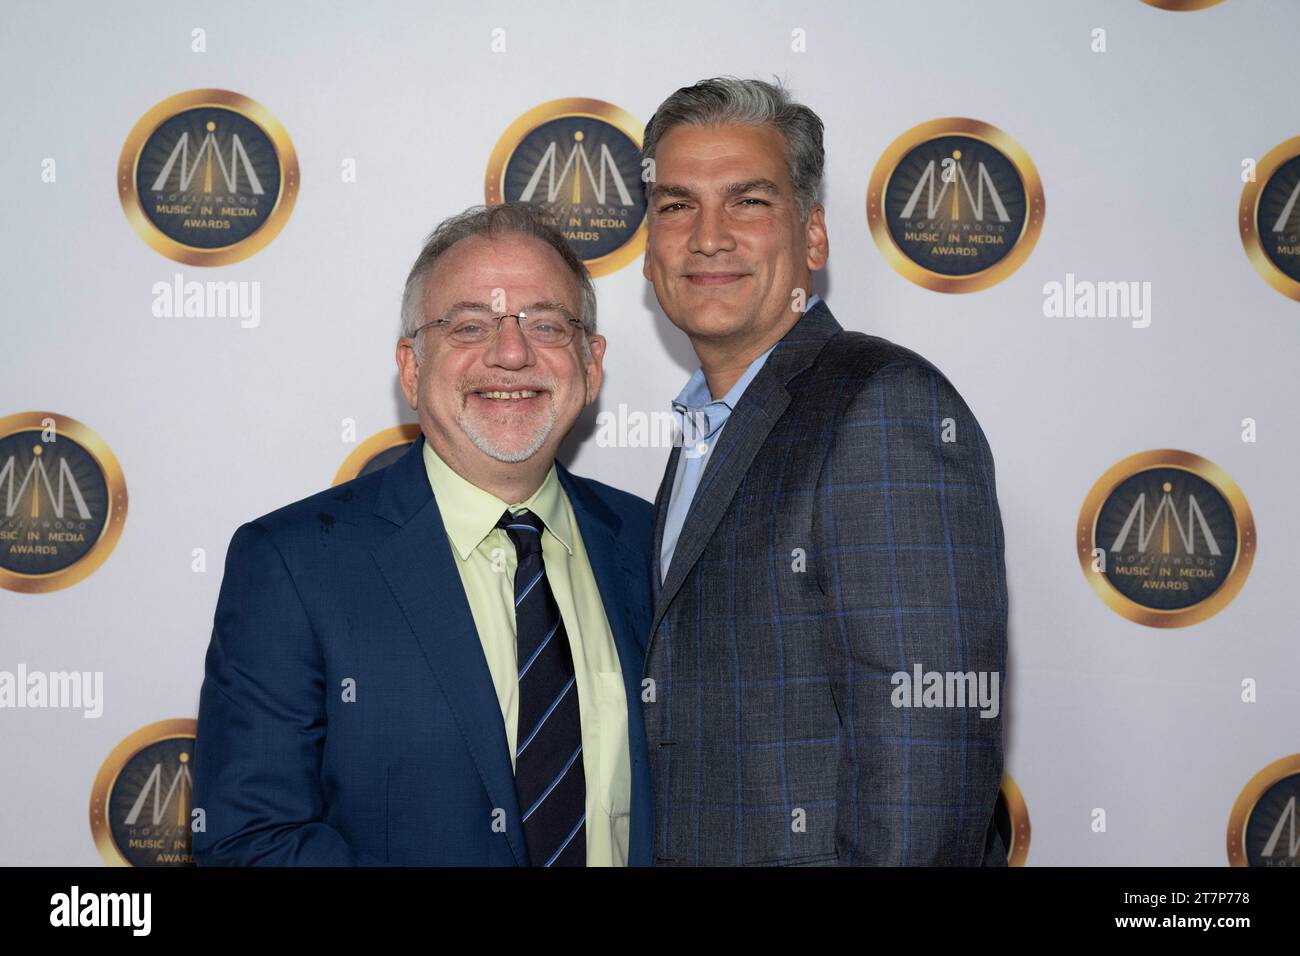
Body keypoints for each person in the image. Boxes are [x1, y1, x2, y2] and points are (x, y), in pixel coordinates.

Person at [193, 202, 654, 866]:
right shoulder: (294, 566)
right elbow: (249, 841)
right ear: (411, 368)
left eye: (546, 325)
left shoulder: (650, 545)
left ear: (590, 363)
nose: (512, 352)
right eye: (469, 326)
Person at [640, 77, 1009, 865]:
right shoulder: (705, 432)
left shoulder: (882, 407)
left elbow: (925, 761)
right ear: (648, 245)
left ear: (813, 238)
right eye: (676, 205)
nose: (708, 236)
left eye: (747, 202)